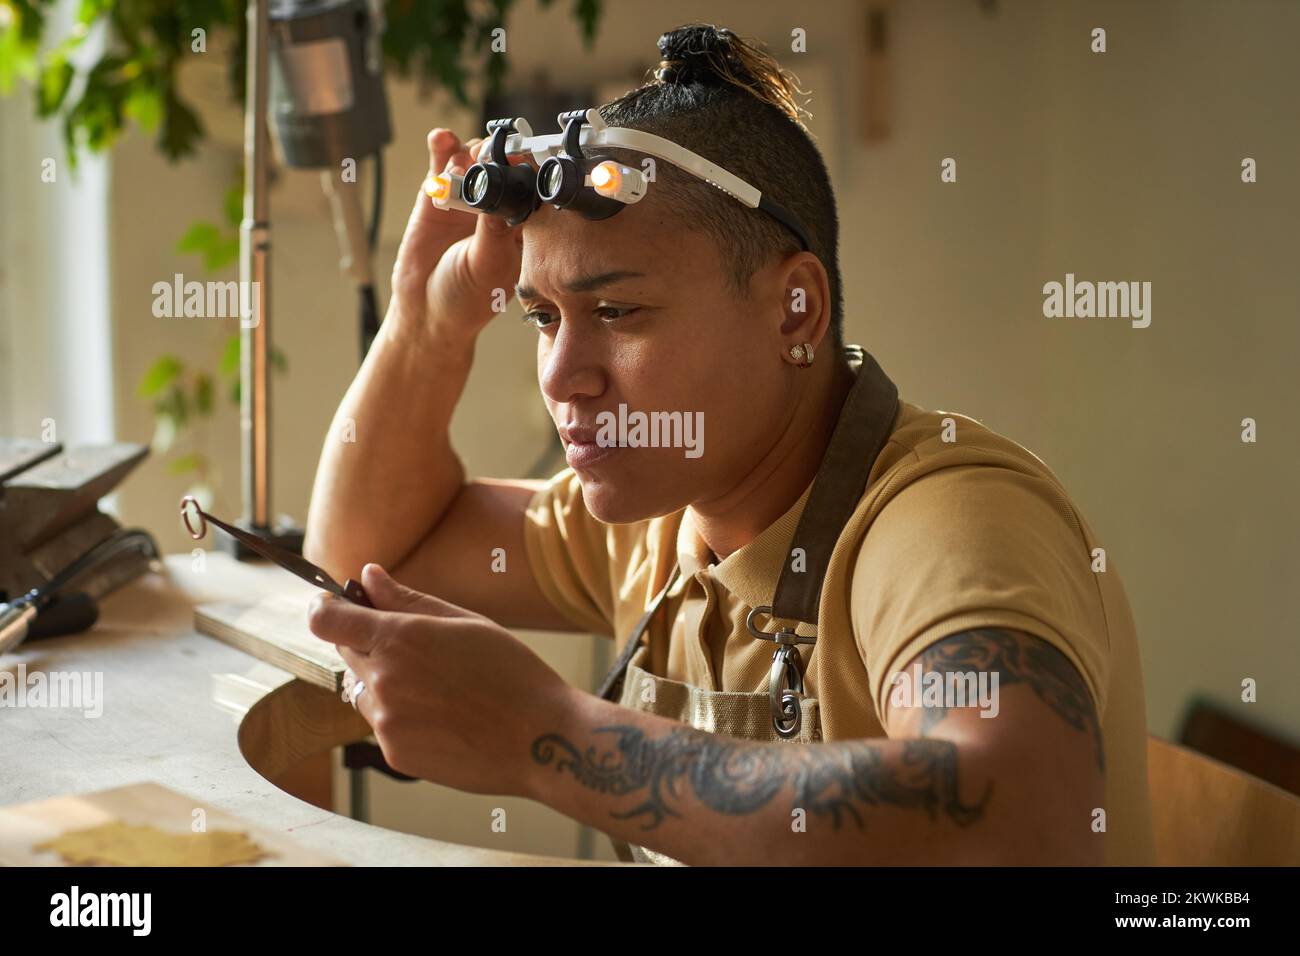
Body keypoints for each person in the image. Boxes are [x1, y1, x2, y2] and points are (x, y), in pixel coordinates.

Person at [303, 23, 1155, 866]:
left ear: (796, 310)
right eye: (541, 317)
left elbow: (1019, 823)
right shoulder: (662, 519)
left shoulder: (950, 522)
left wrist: (545, 735)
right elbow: (368, 555)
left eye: (616, 311)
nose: (562, 377)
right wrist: (424, 320)